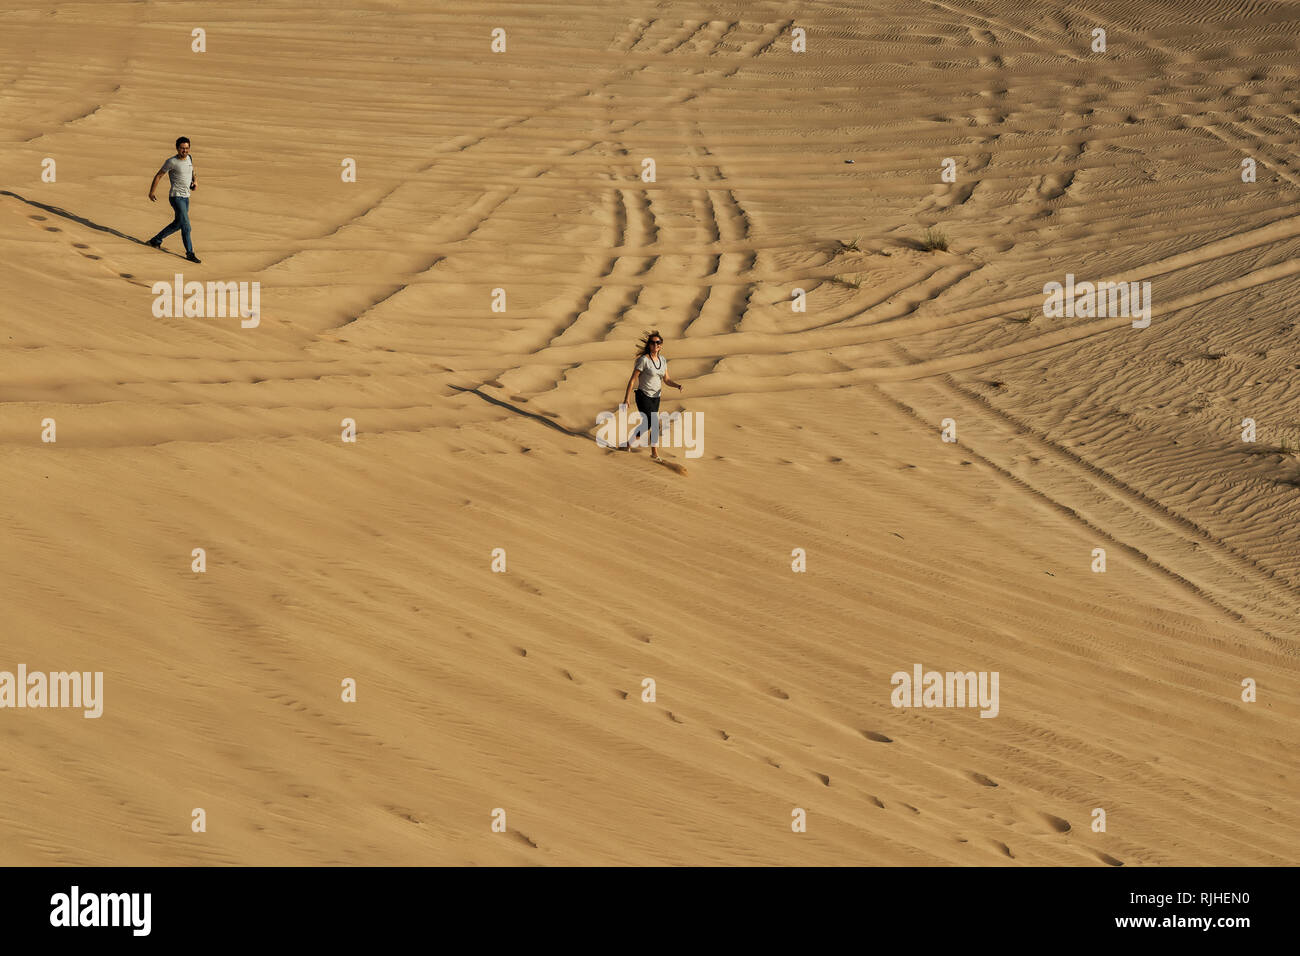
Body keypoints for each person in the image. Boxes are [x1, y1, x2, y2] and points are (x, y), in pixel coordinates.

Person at [622, 330, 683, 460]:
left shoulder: (663, 360)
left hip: (656, 398)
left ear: (661, 345)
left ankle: (629, 443)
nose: (655, 345)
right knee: (654, 422)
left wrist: (677, 385)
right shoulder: (643, 360)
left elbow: (666, 379)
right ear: (649, 345)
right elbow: (633, 379)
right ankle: (654, 454)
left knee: (647, 424)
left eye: (657, 342)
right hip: (643, 395)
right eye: (652, 343)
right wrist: (626, 398)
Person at [147, 137, 201, 262]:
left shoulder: (189, 158)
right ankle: (190, 253)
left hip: (186, 197)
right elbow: (159, 175)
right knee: (186, 226)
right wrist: (151, 192)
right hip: (176, 197)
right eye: (182, 148)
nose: (185, 151)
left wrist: (195, 181)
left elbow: (192, 171)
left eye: (187, 148)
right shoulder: (171, 161)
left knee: (178, 224)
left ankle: (156, 240)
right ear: (177, 148)